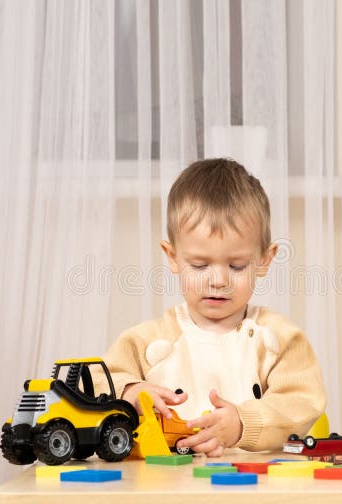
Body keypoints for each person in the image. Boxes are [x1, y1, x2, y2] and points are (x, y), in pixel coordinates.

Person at [102, 157, 327, 459]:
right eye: (200, 265)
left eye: (236, 266)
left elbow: (302, 403)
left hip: (257, 492)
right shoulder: (149, 341)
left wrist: (243, 424)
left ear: (265, 259)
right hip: (166, 493)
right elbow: (97, 380)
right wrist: (130, 393)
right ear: (172, 257)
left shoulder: (279, 339)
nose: (218, 280)